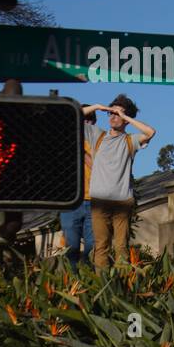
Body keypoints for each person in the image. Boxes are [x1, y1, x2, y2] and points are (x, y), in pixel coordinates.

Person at [81, 94, 156, 269]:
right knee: (101, 247)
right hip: (99, 202)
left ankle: (123, 285)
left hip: (122, 202)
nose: (114, 116)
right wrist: (98, 106)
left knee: (121, 247)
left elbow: (150, 132)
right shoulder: (97, 136)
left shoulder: (131, 140)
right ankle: (104, 289)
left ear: (126, 119)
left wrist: (125, 116)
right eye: (112, 113)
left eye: (119, 114)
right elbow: (72, 116)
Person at [62, 109, 97, 266]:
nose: (86, 123)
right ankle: (73, 285)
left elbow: (98, 167)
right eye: (83, 119)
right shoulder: (65, 141)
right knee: (72, 248)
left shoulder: (99, 143)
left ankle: (90, 282)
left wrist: (81, 151)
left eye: (90, 120)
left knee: (92, 248)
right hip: (71, 202)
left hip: (94, 201)